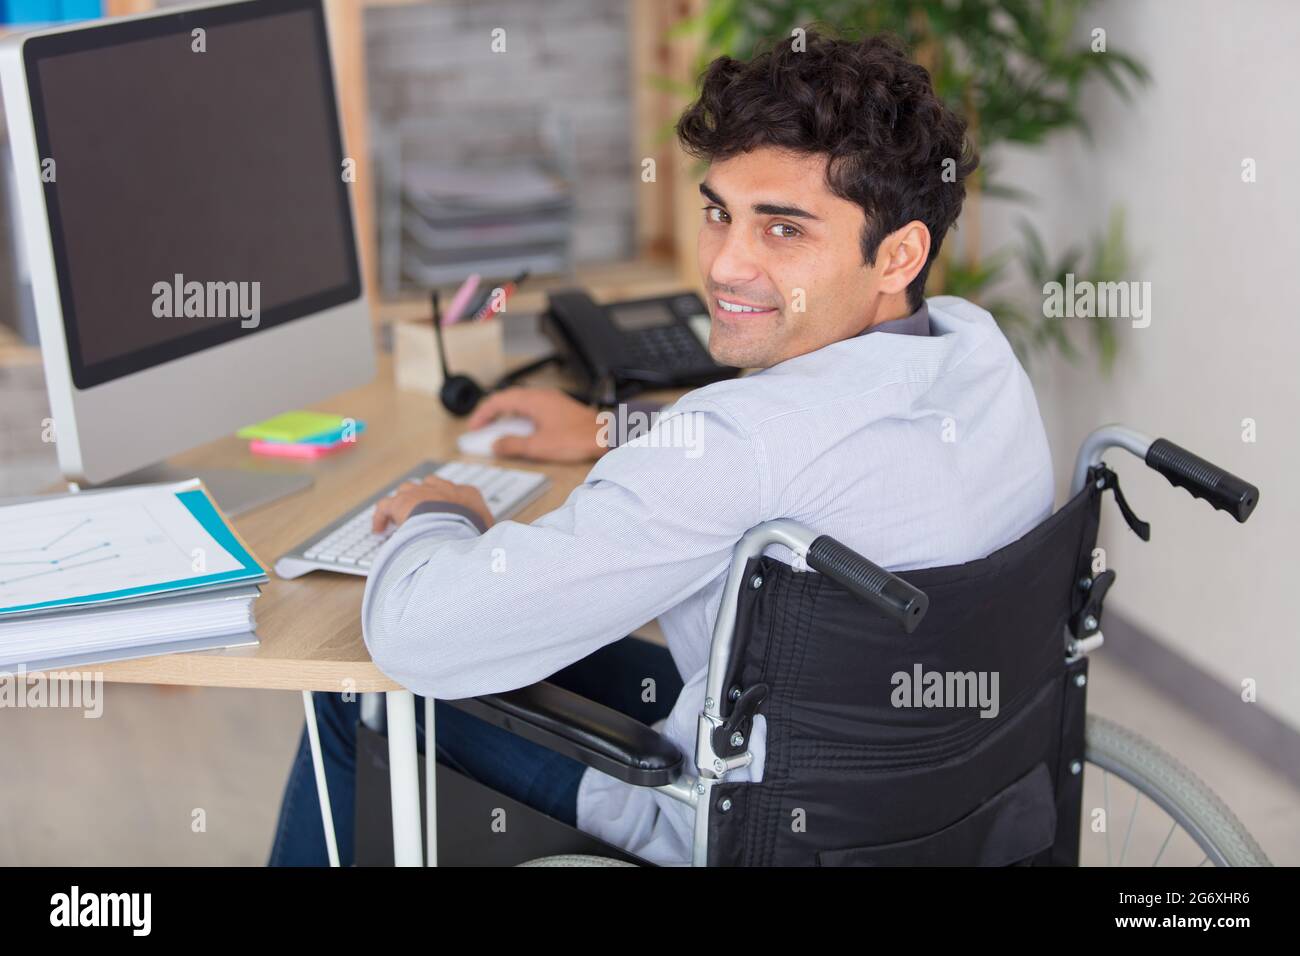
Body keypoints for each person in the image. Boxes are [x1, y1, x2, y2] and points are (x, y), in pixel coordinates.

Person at [269, 30, 1054, 867]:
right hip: (936, 810)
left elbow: (414, 635)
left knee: (358, 699)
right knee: (569, 639)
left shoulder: (733, 446)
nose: (725, 265)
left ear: (898, 254)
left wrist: (437, 516)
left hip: (718, 822)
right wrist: (608, 430)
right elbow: (811, 448)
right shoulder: (978, 352)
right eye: (721, 213)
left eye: (783, 231)